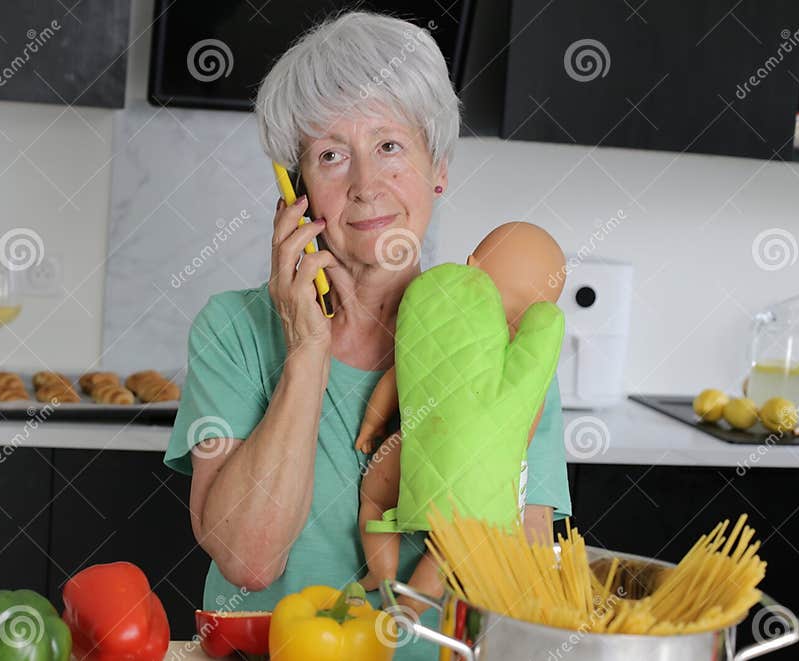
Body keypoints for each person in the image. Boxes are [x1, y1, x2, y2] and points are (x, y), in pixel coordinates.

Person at [163, 11, 570, 660]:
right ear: (294, 191)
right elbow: (249, 560)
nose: (364, 185)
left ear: (437, 167)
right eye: (330, 155)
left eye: (389, 146)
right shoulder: (233, 330)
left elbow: (518, 579)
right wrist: (307, 351)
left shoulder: (504, 344)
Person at [356, 221, 567, 593]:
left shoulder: (431, 335)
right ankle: (415, 603)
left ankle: (382, 573)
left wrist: (373, 426)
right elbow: (525, 424)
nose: (509, 324)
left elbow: (396, 379)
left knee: (374, 498)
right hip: (484, 468)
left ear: (471, 268)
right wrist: (507, 456)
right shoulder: (527, 373)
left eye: (520, 318)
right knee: (459, 542)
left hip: (414, 445)